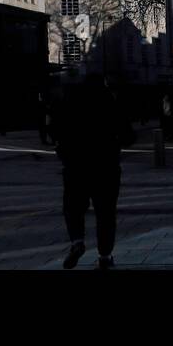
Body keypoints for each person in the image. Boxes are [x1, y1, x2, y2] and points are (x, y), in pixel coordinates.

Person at [51, 69, 134, 269]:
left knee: (73, 207)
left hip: (76, 166)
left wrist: (65, 155)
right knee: (105, 213)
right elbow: (127, 135)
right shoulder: (110, 102)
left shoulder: (70, 102)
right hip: (106, 166)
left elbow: (56, 131)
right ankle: (104, 256)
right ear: (103, 84)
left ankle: (77, 242)